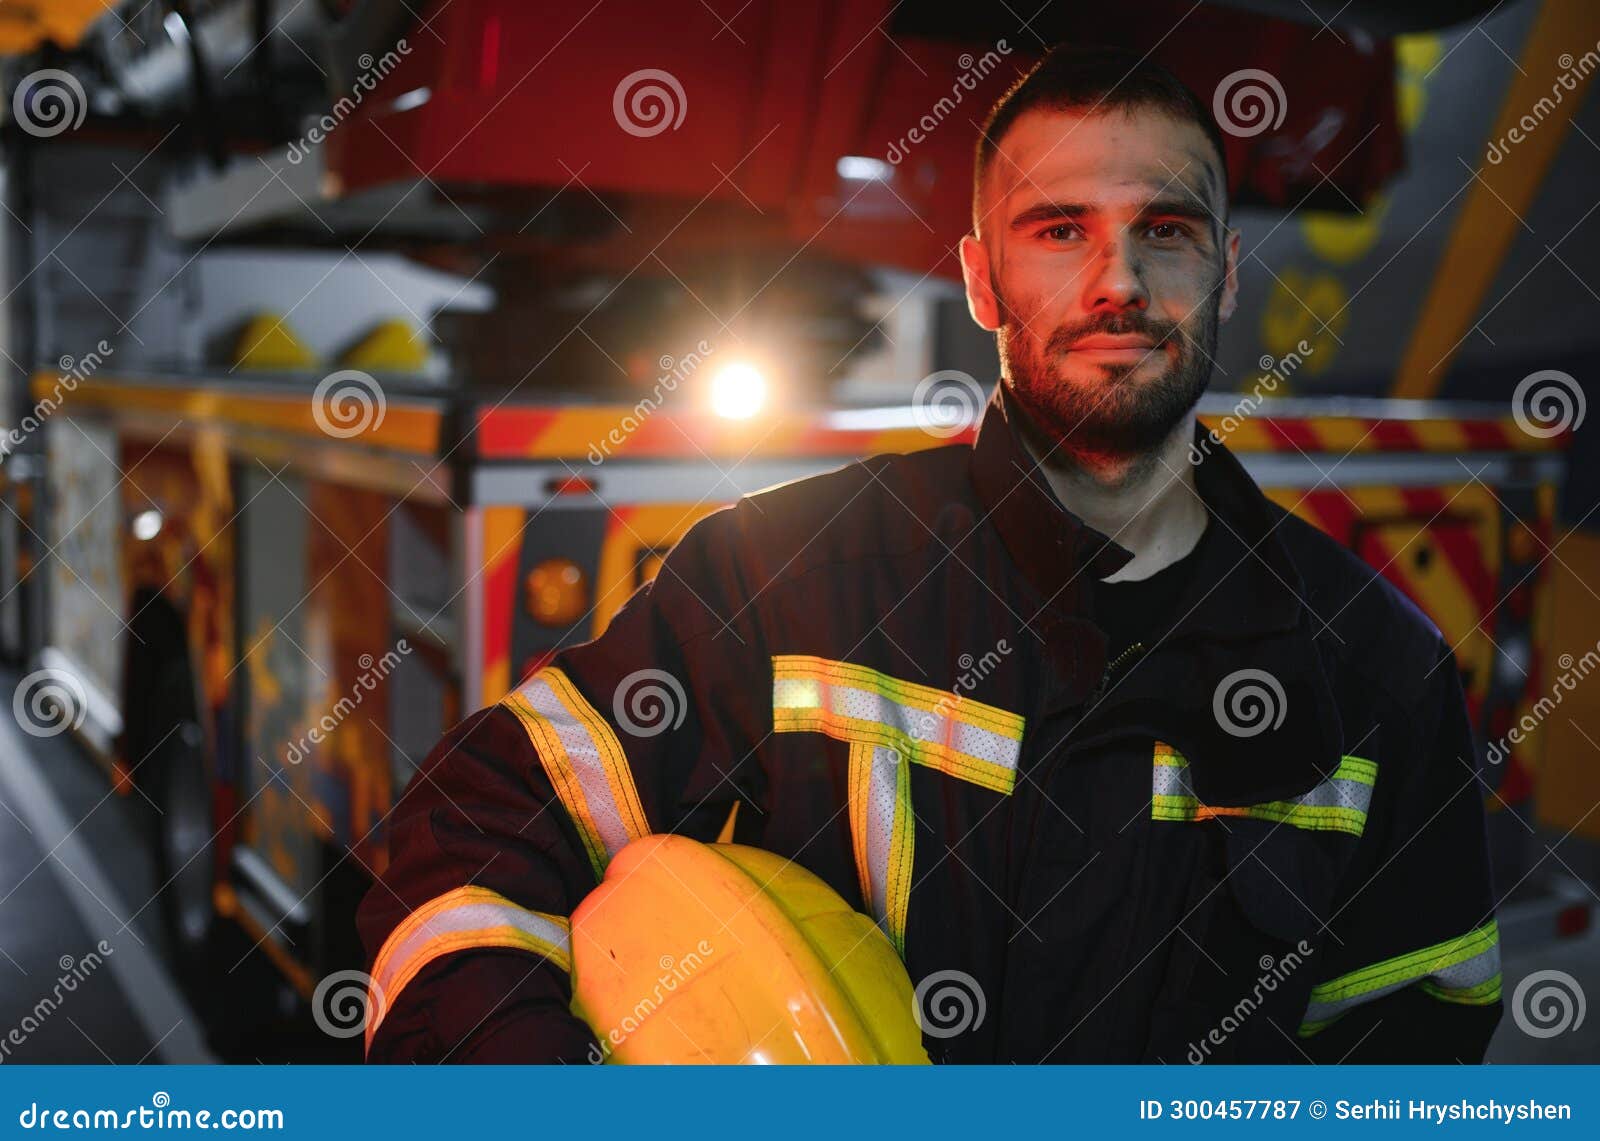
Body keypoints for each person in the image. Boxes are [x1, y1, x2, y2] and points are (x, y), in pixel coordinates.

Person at [359, 44, 1501, 1063]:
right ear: (980, 278)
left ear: (1226, 272)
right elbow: (473, 834)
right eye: (1059, 230)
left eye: (1166, 230)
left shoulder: (1375, 672)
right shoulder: (780, 576)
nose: (1118, 282)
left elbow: (1415, 1043)